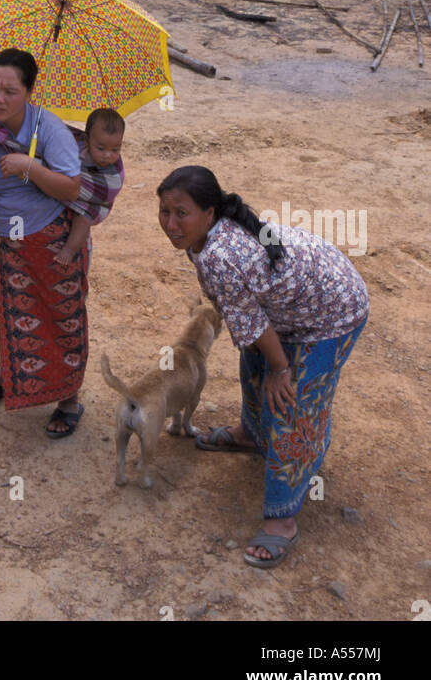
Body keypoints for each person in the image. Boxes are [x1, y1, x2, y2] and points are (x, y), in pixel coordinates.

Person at [157, 165, 369, 568]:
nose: (170, 223)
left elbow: (251, 321)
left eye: (181, 212)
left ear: (210, 213)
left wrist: (282, 368)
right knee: (254, 366)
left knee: (294, 406)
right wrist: (270, 361)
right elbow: (249, 319)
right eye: (164, 211)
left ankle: (283, 519)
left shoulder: (219, 253)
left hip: (330, 315)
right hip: (294, 307)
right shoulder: (204, 237)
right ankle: (253, 434)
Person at [0, 47, 86, 438]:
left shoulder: (48, 129)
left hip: (56, 240)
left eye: (10, 91)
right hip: (12, 242)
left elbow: (72, 185)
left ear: (29, 92)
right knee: (14, 314)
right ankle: (7, 375)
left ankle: (68, 398)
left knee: (62, 316)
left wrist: (28, 166)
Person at [54, 108, 125, 267]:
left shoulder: (112, 171)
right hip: (77, 190)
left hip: (95, 204)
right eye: (101, 149)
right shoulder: (78, 147)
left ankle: (70, 250)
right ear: (87, 141)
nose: (108, 155)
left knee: (83, 219)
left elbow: (108, 187)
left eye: (115, 149)